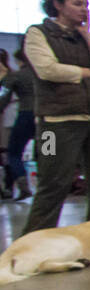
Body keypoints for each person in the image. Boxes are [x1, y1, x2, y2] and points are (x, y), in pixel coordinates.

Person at [21, 0, 90, 233]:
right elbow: (47, 69)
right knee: (52, 182)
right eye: (77, 3)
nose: (83, 9)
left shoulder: (88, 38)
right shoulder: (37, 33)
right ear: (58, 5)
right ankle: (35, 240)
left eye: (86, 4)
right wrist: (86, 72)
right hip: (54, 123)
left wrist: (88, 37)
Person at [0, 48, 36, 200]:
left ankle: (23, 186)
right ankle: (51, 186)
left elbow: (2, 96)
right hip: (46, 118)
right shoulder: (41, 75)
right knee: (50, 152)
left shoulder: (14, 76)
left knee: (14, 152)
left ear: (19, 61)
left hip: (26, 116)